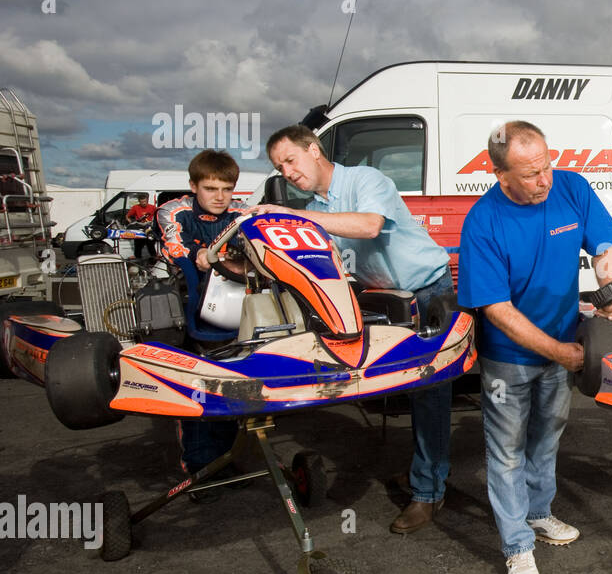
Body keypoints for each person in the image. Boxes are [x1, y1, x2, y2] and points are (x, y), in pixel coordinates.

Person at [253, 124, 455, 534]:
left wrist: (292, 215)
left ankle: (430, 492)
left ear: (313, 150)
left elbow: (369, 226)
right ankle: (424, 471)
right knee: (398, 388)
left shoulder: (365, 179)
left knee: (429, 392)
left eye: (291, 160)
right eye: (279, 167)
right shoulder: (315, 206)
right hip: (384, 296)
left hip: (427, 290)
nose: (287, 173)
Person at [457, 121, 612, 574]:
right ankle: (516, 547)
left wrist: (610, 286)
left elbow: (606, 243)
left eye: (546, 166)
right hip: (509, 358)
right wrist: (560, 353)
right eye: (530, 175)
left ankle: (538, 512)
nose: (544, 181)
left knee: (547, 435)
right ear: (500, 174)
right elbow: (496, 308)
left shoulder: (571, 187)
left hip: (564, 346)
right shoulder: (483, 221)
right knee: (506, 452)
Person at [157, 150, 249, 501]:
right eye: (211, 188)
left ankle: (226, 462)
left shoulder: (242, 214)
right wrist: (205, 256)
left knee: (230, 391)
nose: (220, 196)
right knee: (195, 395)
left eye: (227, 188)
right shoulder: (174, 210)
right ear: (193, 185)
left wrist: (220, 256)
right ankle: (200, 470)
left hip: (234, 316)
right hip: (188, 313)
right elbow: (176, 252)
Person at [125, 193, 157, 260]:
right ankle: (138, 258)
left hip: (149, 228)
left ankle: (154, 258)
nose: (144, 203)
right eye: (142, 202)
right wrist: (131, 223)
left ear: (147, 201)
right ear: (139, 201)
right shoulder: (135, 207)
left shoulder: (152, 207)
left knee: (150, 243)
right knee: (138, 245)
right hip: (139, 228)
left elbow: (159, 214)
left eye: (145, 201)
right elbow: (127, 216)